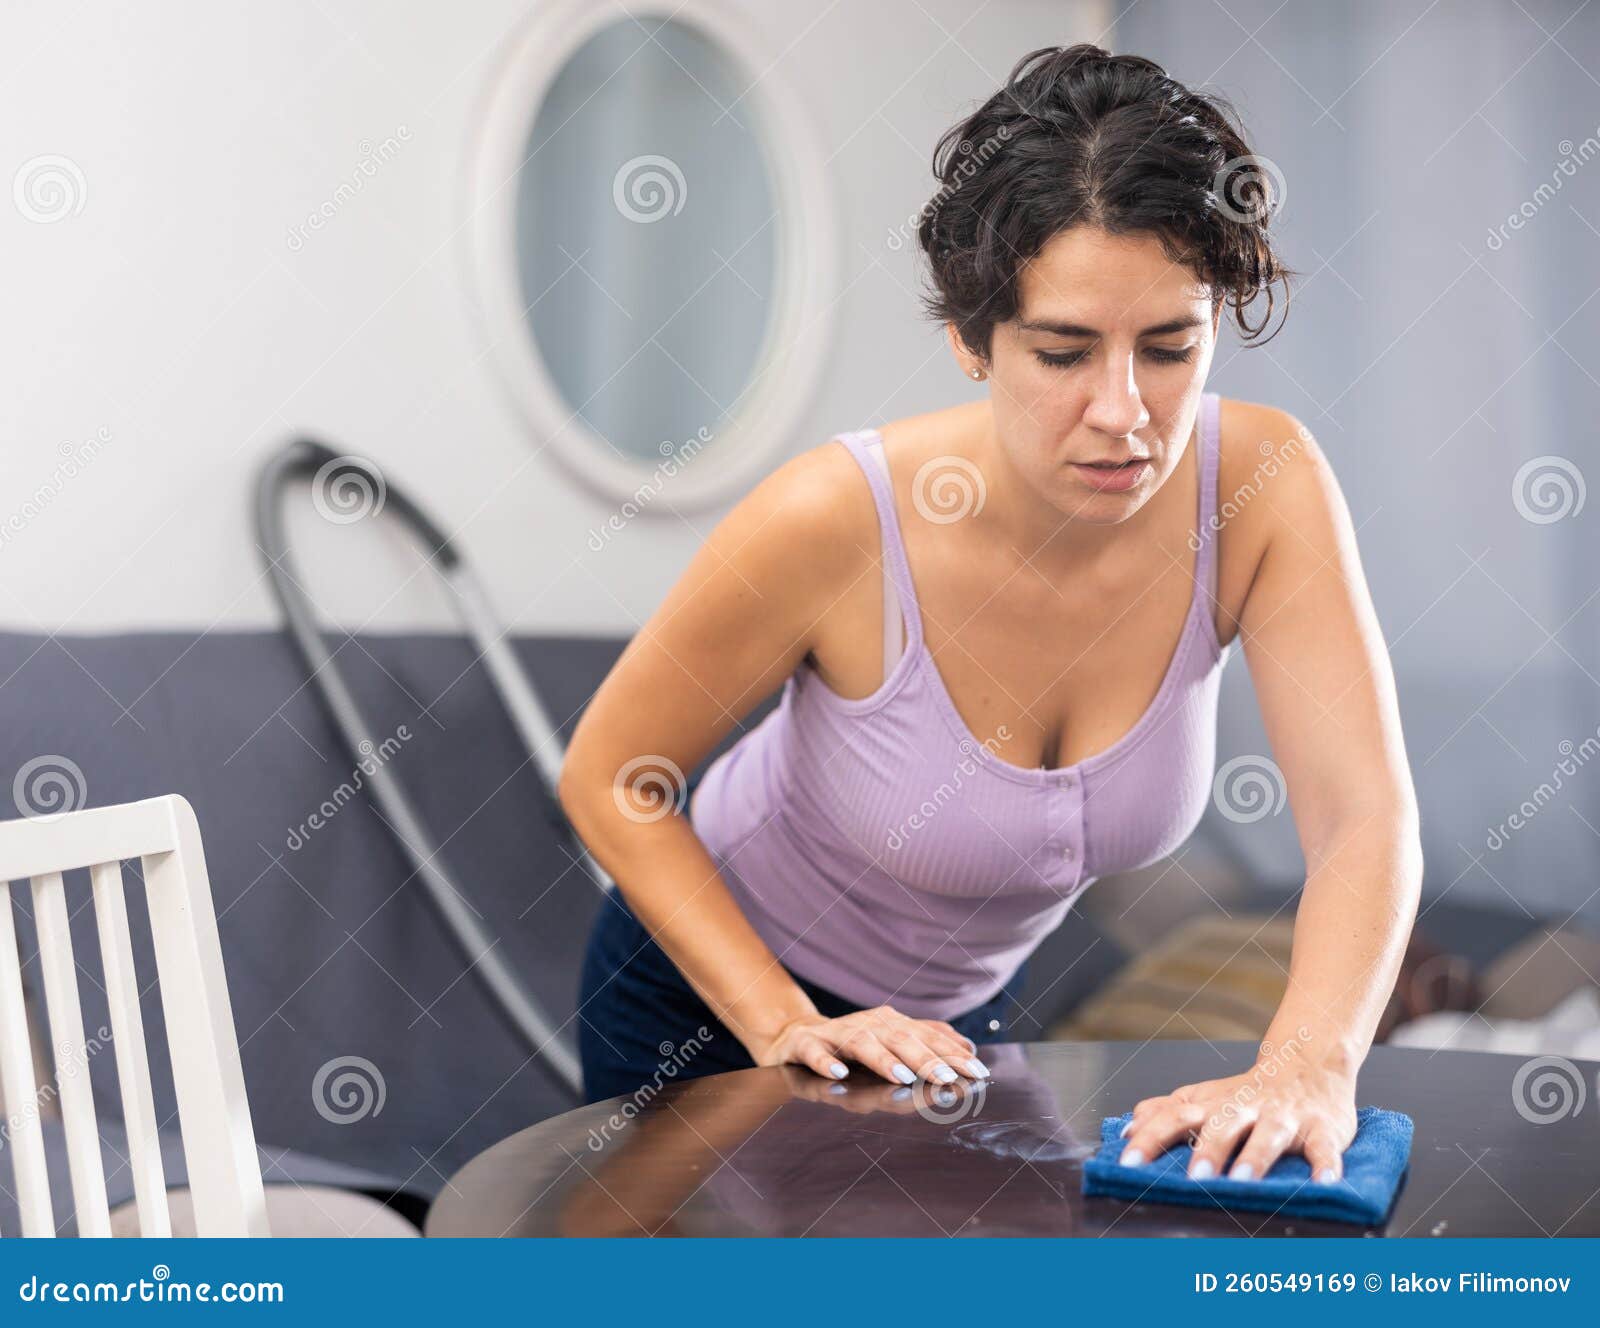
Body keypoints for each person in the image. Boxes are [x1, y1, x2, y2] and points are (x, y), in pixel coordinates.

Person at [559, 43, 1422, 1187]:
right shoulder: (835, 516)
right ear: (971, 338)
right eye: (1063, 350)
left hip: (951, 1025)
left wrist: (1307, 1065)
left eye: (1171, 348)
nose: (1125, 413)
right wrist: (779, 1025)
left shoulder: (1265, 489)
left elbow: (1362, 821)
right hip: (709, 1006)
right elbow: (614, 774)